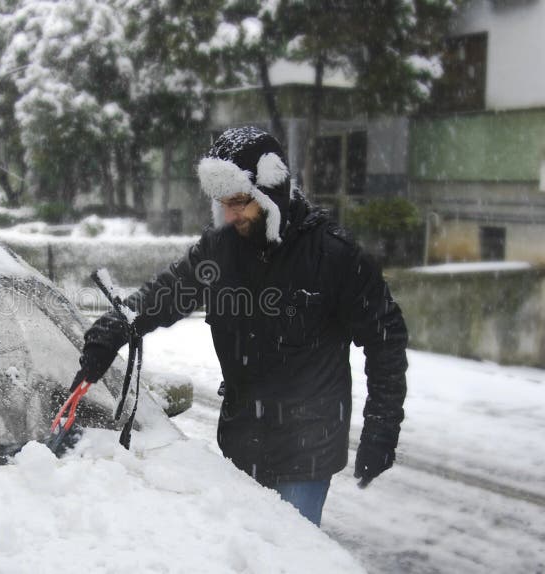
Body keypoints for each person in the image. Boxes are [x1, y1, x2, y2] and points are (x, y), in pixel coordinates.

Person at [72, 126, 408, 527]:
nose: (230, 215)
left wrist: (382, 428)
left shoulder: (332, 255)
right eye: (222, 204)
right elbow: (167, 290)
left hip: (306, 452)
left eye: (240, 203)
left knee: (286, 557)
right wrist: (114, 328)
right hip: (239, 442)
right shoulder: (221, 247)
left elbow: (385, 338)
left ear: (272, 192)